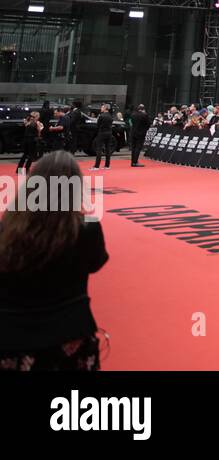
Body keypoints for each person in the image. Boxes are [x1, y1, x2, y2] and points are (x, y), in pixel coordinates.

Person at [0, 151, 109, 371]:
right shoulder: (87, 229)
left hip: (11, 335)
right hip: (70, 335)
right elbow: (96, 263)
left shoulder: (6, 229)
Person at [89, 105, 114, 170]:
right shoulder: (110, 116)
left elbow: (98, 125)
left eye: (102, 107)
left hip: (102, 133)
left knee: (99, 149)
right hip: (109, 133)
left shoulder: (101, 116)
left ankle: (97, 166)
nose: (101, 108)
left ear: (105, 108)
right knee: (108, 149)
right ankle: (107, 165)